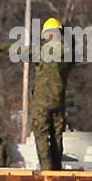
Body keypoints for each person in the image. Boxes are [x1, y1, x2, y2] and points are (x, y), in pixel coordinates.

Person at [31, 17, 71, 171]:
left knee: (42, 136)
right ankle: (56, 170)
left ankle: (47, 171)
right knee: (57, 136)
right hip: (58, 102)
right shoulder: (67, 54)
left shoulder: (41, 52)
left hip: (41, 103)